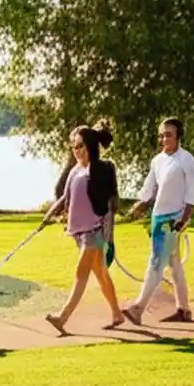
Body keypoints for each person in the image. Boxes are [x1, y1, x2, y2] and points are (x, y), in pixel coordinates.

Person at [41, 124, 125, 333]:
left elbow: (110, 201)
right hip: (79, 232)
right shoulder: (75, 171)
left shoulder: (101, 169)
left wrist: (109, 232)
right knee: (100, 273)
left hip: (95, 230)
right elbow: (65, 197)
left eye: (80, 146)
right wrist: (50, 214)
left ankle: (62, 317)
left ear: (90, 146)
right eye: (73, 147)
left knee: (81, 272)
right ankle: (117, 313)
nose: (76, 150)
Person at [122, 117, 194, 325]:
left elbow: (192, 195)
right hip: (158, 218)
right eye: (162, 135)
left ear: (178, 136)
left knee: (156, 262)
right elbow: (149, 190)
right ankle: (184, 310)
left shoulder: (186, 160)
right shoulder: (157, 161)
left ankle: (138, 308)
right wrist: (139, 205)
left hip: (174, 219)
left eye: (169, 134)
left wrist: (183, 221)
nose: (164, 139)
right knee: (174, 264)